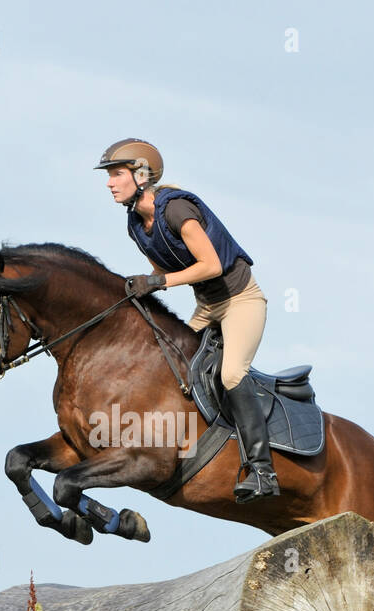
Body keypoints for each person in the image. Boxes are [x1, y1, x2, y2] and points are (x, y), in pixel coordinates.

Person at [94, 138, 279, 502]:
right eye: (110, 175)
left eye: (117, 174)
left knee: (231, 374)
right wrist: (139, 286)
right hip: (207, 307)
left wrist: (158, 281)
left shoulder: (176, 209)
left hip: (241, 301)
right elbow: (165, 268)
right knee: (166, 363)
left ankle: (263, 471)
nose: (109, 182)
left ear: (141, 175)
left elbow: (209, 265)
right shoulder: (135, 224)